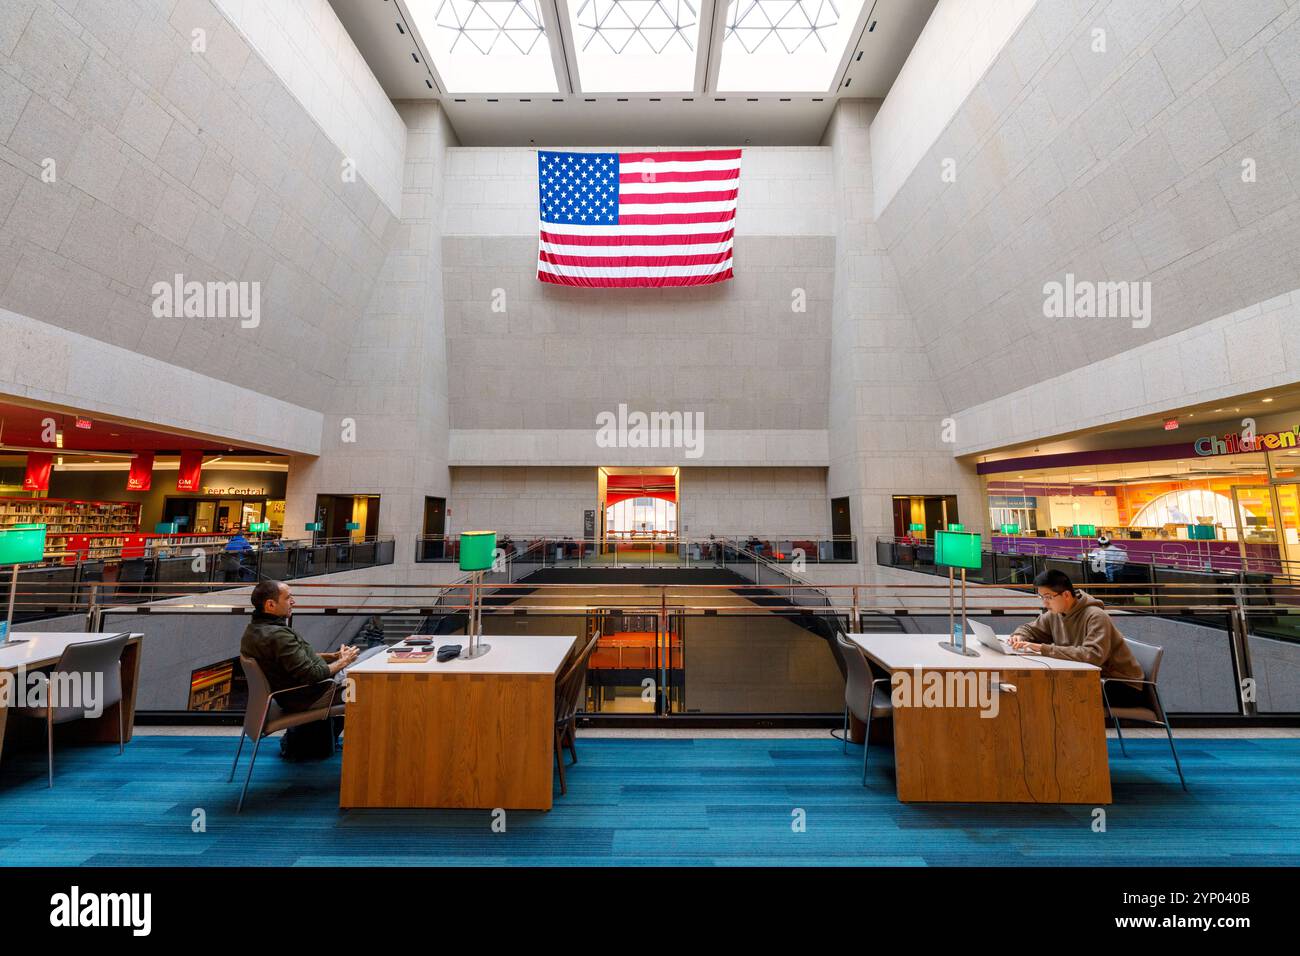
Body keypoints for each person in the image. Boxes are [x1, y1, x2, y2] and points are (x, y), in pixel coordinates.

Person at [1009, 569, 1146, 706]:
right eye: (1041, 597)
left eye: (1048, 597)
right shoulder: (1056, 614)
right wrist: (1019, 636)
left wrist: (1043, 648)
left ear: (1066, 594)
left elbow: (1092, 656)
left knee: (1055, 694)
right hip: (1091, 678)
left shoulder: (1096, 616)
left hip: (1120, 685)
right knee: (1043, 689)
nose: (1044, 603)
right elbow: (1029, 629)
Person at [240, 580, 362, 712]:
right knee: (371, 680)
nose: (293, 602)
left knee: (375, 654)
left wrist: (333, 656)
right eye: (288, 598)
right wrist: (344, 661)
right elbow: (312, 674)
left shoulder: (255, 629)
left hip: (301, 694)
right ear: (270, 604)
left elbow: (293, 660)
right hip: (313, 695)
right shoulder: (277, 635)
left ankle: (313, 732)